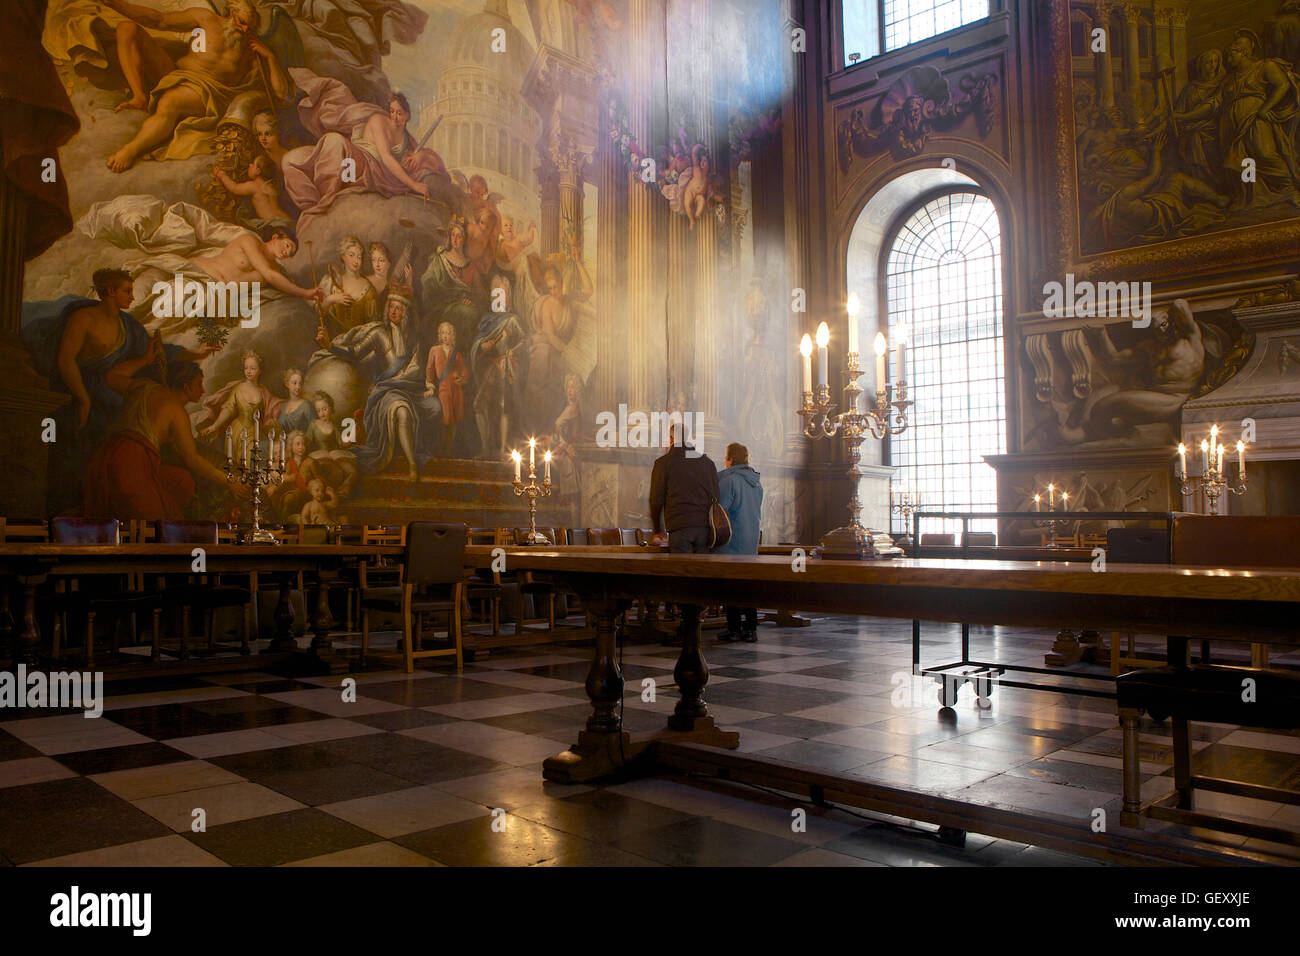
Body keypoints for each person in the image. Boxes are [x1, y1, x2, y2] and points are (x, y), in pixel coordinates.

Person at [102, 0, 291, 171]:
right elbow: (160, 20)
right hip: (177, 75)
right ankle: (139, 97)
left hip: (209, 92)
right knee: (128, 28)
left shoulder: (253, 49)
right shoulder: (206, 18)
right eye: (242, 22)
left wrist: (270, 57)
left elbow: (281, 94)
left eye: (250, 27)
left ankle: (131, 150)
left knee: (171, 101)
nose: (244, 29)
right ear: (232, 14)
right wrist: (115, 4)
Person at [86, 350, 248, 518]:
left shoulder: (143, 387)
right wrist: (229, 481)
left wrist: (144, 358)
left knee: (181, 481)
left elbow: (112, 377)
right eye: (199, 384)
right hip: (133, 461)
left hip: (106, 453)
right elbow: (192, 459)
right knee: (158, 518)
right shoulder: (177, 412)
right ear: (186, 387)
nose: (202, 389)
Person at [714, 442, 763, 643]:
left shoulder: (730, 480)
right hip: (750, 541)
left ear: (730, 459)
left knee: (731, 587)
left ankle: (733, 629)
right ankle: (751, 629)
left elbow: (720, 511)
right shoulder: (756, 483)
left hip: (731, 542)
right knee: (747, 587)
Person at [649, 424, 719, 553]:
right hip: (704, 530)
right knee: (702, 571)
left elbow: (656, 500)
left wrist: (657, 530)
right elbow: (715, 497)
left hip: (679, 528)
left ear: (670, 439)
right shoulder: (707, 463)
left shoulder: (663, 463)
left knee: (682, 571)